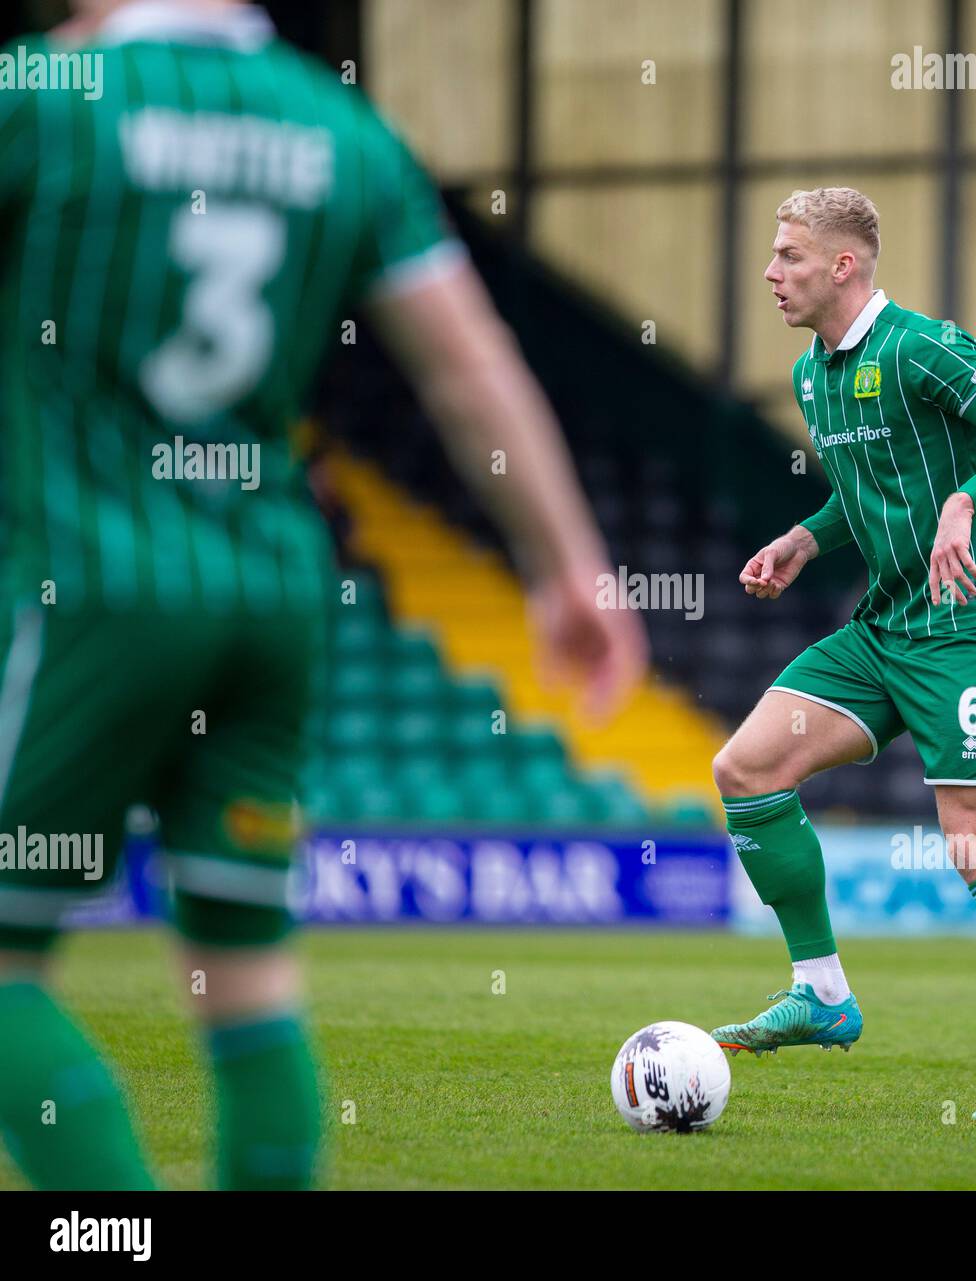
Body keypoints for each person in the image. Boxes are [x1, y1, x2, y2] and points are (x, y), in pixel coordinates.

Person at [0, 0, 645, 1190]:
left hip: (88, 579)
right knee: (242, 974)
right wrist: (569, 564)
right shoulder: (342, 130)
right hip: (275, 594)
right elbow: (467, 365)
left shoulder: (38, 99)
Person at [710, 187, 976, 1123]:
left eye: (791, 257)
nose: (772, 273)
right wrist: (808, 537)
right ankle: (823, 992)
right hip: (887, 624)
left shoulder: (922, 345)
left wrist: (969, 500)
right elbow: (874, 489)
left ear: (844, 264)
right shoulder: (814, 374)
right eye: (774, 255)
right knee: (748, 766)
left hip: (972, 624)